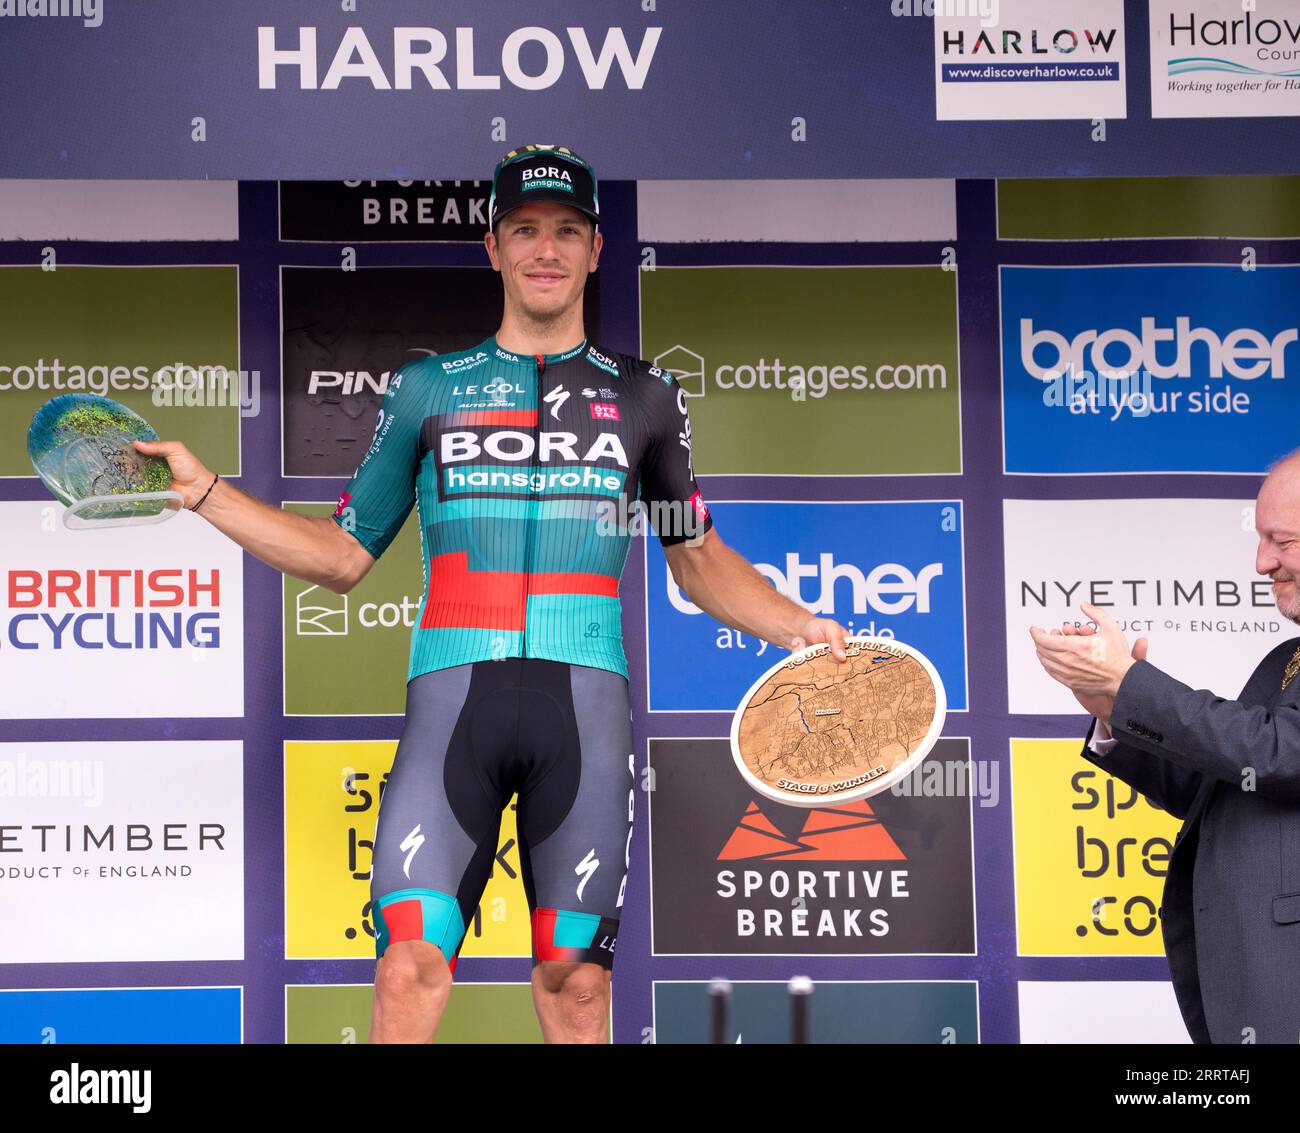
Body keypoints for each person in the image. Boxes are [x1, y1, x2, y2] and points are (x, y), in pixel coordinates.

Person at [134, 144, 847, 1044]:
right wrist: (207, 492)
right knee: (407, 965)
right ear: (493, 248)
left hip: (584, 708)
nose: (544, 249)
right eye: (524, 231)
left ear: (595, 250)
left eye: (565, 231)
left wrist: (799, 625)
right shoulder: (426, 389)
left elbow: (696, 557)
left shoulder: (646, 397)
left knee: (575, 982)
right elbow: (343, 553)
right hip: (452, 704)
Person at [1030, 450, 1300, 1044]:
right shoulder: (1284, 660)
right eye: (1260, 540)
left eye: (1281, 540)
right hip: (1250, 983)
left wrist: (1132, 686)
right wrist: (1111, 708)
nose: (1262, 563)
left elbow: (1282, 754)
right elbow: (1225, 792)